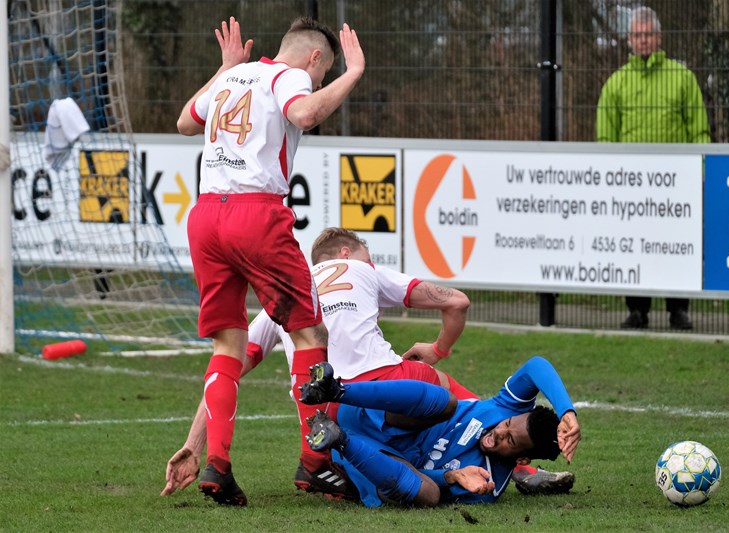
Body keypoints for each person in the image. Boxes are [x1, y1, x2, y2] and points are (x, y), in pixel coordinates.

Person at [161, 228, 574, 502]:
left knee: (429, 464)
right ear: (347, 253)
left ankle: (326, 448)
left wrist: (194, 447)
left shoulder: (281, 298)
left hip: (324, 411)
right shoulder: (361, 269)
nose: (369, 261)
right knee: (441, 391)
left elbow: (228, 372)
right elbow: (457, 302)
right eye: (367, 255)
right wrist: (438, 348)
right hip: (381, 390)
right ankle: (518, 461)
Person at [175, 16, 365, 506]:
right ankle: (315, 462)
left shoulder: (232, 78)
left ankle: (217, 463)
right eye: (325, 73)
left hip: (205, 218)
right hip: (255, 214)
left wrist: (223, 69)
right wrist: (354, 73)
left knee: (228, 344)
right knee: (309, 332)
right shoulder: (291, 76)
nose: (319, 82)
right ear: (315, 58)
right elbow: (304, 115)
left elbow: (184, 122)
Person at [298, 356, 581, 507]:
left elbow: (423, 487)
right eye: (505, 425)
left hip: (369, 460)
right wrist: (567, 411)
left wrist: (451, 477)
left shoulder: (487, 484)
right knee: (446, 401)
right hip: (371, 416)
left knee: (430, 494)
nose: (499, 432)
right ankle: (336, 390)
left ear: (521, 461)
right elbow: (536, 365)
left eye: (510, 440)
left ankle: (338, 438)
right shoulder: (506, 408)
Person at [596, 6, 710, 331]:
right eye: (637, 35)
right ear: (629, 40)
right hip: (631, 185)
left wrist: (699, 168)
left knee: (676, 245)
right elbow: (606, 136)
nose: (643, 40)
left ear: (658, 38)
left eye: (648, 34)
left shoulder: (682, 77)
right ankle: (637, 311)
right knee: (633, 245)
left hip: (676, 183)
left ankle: (678, 310)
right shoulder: (616, 83)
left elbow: (698, 129)